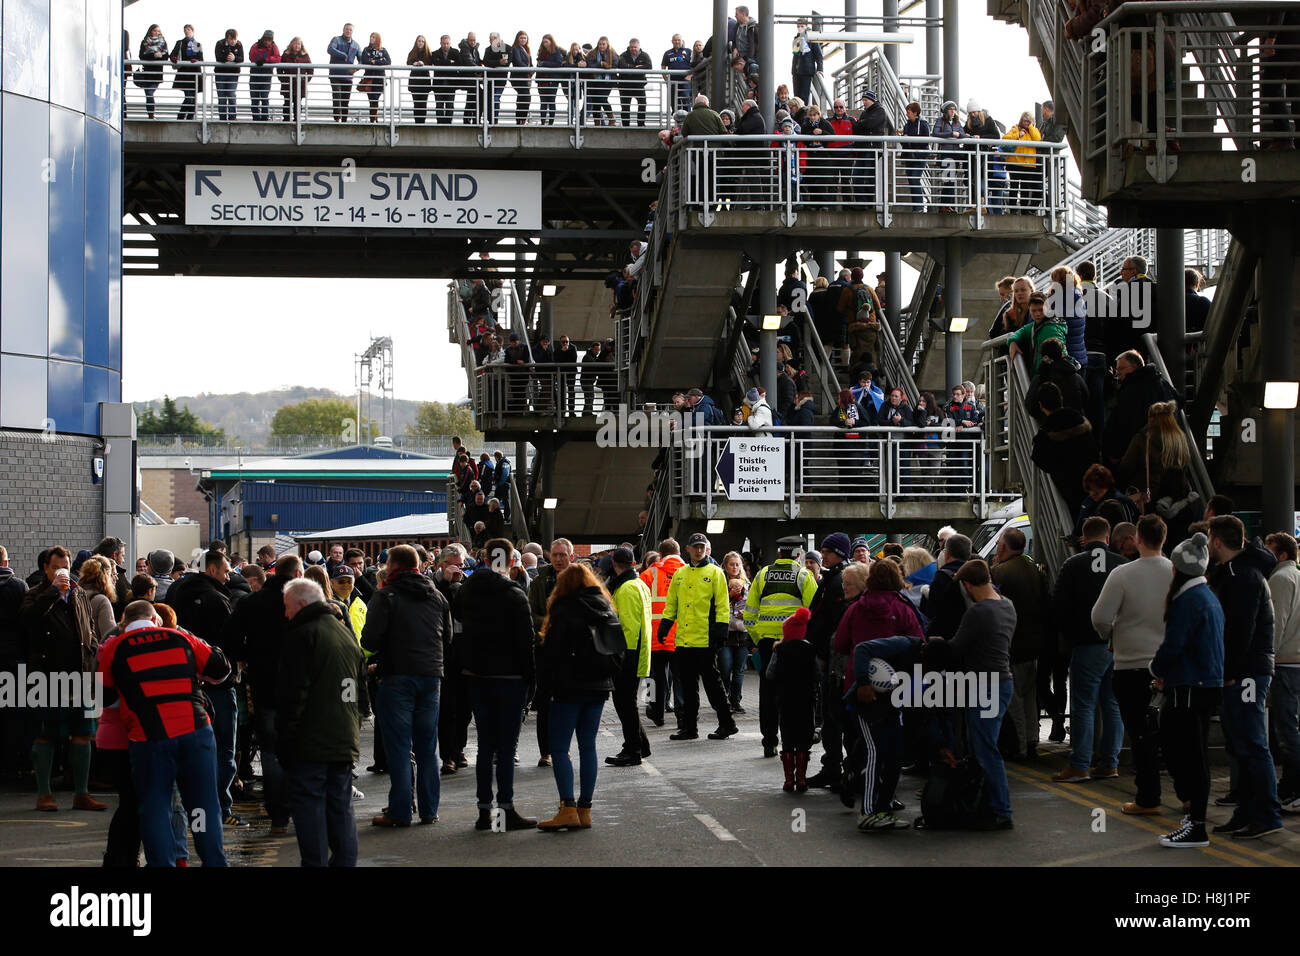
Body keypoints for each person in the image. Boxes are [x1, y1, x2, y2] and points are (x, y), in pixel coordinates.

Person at [99, 600, 230, 866]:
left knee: (155, 807)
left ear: (123, 624)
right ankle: (213, 860)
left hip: (149, 736)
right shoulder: (180, 637)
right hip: (195, 730)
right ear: (156, 619)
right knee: (202, 806)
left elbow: (104, 695)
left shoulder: (113, 647)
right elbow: (221, 669)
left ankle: (163, 863)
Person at [277, 579, 368, 866]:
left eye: (288, 607)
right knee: (340, 809)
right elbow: (358, 693)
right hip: (342, 737)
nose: (286, 614)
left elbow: (295, 694)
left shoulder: (303, 635)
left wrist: (286, 739)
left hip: (311, 740)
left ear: (302, 604)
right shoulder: (344, 634)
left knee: (310, 809)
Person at [361, 545, 449, 828]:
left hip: (396, 676)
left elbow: (369, 640)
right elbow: (447, 637)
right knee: (427, 745)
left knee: (399, 747)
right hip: (431, 675)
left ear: (393, 567)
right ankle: (429, 809)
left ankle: (400, 811)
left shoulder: (385, 595)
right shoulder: (436, 596)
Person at [1207, 516, 1284, 839]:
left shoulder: (1243, 576)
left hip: (1247, 673)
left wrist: (1230, 674)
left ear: (1218, 541)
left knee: (1252, 742)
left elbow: (1240, 631)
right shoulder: (1237, 574)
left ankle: (1265, 814)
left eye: (1210, 537)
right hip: (1246, 670)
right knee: (1242, 743)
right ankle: (1248, 810)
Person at [1091, 514, 1173, 814]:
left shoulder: (1122, 574)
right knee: (1174, 734)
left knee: (1140, 734)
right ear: (1163, 538)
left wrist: (1111, 633)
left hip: (1131, 665)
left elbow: (1100, 616)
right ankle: (1188, 795)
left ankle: (1148, 798)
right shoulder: (1177, 572)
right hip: (1168, 667)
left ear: (1137, 538)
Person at [455, 538, 536, 829]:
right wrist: (532, 680)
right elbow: (526, 643)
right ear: (512, 562)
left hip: (477, 676)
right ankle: (505, 810)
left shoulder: (467, 591)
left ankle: (483, 812)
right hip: (510, 678)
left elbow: (458, 623)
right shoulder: (515, 596)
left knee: (485, 746)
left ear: (486, 558)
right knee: (505, 747)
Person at [534, 564, 621, 830]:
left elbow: (550, 656)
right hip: (598, 687)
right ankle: (585, 810)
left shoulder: (564, 610)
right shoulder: (605, 608)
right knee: (588, 747)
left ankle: (567, 808)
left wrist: (543, 693)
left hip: (567, 688)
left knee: (559, 748)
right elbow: (618, 649)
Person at [1150, 534, 1224, 847]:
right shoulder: (1208, 597)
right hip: (1206, 683)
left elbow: (1174, 645)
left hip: (1189, 685)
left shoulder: (1187, 601)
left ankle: (1196, 826)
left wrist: (1156, 669)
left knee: (1186, 754)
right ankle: (1194, 819)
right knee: (1193, 754)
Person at [934, 559, 1017, 829]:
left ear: (968, 585)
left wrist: (937, 644)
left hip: (985, 685)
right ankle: (989, 803)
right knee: (985, 744)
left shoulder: (978, 612)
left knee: (985, 749)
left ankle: (1001, 810)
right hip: (1003, 682)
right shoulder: (1007, 605)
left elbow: (956, 647)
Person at [21, 546, 105, 813]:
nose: (64, 573)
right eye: (58, 567)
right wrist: (52, 592)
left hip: (80, 675)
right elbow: (27, 622)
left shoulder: (79, 592)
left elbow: (89, 626)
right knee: (45, 736)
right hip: (46, 676)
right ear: (46, 568)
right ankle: (44, 793)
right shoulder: (34, 594)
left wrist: (91, 648)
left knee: (82, 734)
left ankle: (82, 793)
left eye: (67, 567)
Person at [167, 550, 244, 828]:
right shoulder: (218, 599)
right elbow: (231, 641)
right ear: (212, 570)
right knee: (224, 748)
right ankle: (220, 808)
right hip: (219, 682)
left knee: (192, 749)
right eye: (225, 572)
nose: (228, 577)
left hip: (185, 683)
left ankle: (191, 809)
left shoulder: (177, 592)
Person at [1052, 516, 1126, 783]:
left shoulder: (1072, 565)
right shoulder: (1121, 565)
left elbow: (1059, 606)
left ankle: (1080, 764)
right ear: (1108, 538)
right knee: (1112, 704)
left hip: (1086, 645)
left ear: (1084, 538)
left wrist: (1069, 637)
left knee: (1083, 704)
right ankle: (1110, 763)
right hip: (1116, 646)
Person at [658, 533, 737, 741]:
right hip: (684, 640)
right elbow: (672, 604)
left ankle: (727, 723)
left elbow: (722, 604)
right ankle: (689, 728)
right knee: (688, 686)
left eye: (702, 547)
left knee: (713, 685)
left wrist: (721, 630)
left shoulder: (715, 573)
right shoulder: (680, 574)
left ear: (706, 549)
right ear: (688, 549)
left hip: (705, 639)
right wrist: (665, 625)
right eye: (696, 547)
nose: (699, 550)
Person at [745, 537, 819, 757]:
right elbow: (812, 613)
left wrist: (759, 638)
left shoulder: (762, 575)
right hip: (794, 644)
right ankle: (798, 740)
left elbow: (749, 614)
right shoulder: (803, 575)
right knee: (797, 692)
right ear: (798, 555)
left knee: (767, 692)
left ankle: (769, 741)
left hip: (768, 643)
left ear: (779, 555)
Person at [990, 529, 1049, 761]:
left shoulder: (999, 572)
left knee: (1013, 700)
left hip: (1012, 646)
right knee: (1029, 696)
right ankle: (1033, 740)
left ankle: (1020, 745)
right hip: (1034, 645)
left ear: (1003, 548)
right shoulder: (1035, 570)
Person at [605, 548, 653, 767]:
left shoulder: (625, 589)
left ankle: (633, 749)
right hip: (639, 652)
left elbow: (627, 628)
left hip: (628, 654)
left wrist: (618, 656)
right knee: (628, 703)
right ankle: (639, 745)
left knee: (624, 704)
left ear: (615, 565)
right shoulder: (640, 584)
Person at [766, 606, 820, 794]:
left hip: (785, 698)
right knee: (804, 736)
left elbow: (770, 673)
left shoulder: (779, 650)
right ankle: (802, 779)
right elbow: (818, 675)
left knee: (788, 736)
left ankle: (789, 779)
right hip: (806, 699)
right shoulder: (810, 650)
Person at [1264, 532, 1300, 811]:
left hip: (1286, 662)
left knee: (1287, 729)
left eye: (1270, 550)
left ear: (1282, 555)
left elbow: (1277, 622)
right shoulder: (1297, 575)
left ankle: (1293, 787)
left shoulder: (1279, 579)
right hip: (1296, 661)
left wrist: (1268, 657)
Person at [641, 539, 686, 728]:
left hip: (655, 635)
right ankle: (683, 715)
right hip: (682, 635)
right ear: (679, 552)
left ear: (660, 554)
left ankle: (655, 712)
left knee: (654, 676)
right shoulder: (690, 572)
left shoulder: (648, 574)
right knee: (681, 677)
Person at [719, 551, 751, 715]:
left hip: (742, 634)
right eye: (731, 564)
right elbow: (715, 606)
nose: (735, 567)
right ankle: (726, 697)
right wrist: (728, 596)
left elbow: (752, 606)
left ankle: (735, 701)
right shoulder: (720, 583)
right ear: (725, 566)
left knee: (739, 670)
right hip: (726, 634)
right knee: (725, 668)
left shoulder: (747, 585)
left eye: (737, 564)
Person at [1001, 111, 1043, 210]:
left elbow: (1038, 139)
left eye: (1029, 121)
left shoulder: (1034, 130)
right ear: (1021, 120)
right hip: (1014, 163)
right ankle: (1012, 209)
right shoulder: (1015, 128)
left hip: (1028, 164)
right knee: (1014, 186)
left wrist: (1031, 127)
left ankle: (1024, 209)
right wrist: (1018, 135)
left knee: (1025, 187)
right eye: (1025, 121)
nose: (1026, 123)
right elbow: (1005, 138)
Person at [327, 23, 362, 122]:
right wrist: (343, 55)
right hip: (335, 74)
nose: (348, 31)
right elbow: (330, 49)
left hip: (348, 76)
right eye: (346, 29)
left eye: (350, 30)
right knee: (337, 95)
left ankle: (344, 120)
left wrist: (355, 69)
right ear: (343, 30)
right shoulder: (336, 40)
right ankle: (337, 118)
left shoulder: (356, 45)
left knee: (345, 100)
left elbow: (361, 60)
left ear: (352, 31)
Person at [169, 25, 203, 120]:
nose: (186, 32)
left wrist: (196, 60)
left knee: (194, 99)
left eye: (188, 30)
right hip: (184, 74)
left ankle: (190, 118)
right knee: (189, 97)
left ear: (193, 31)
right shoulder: (180, 43)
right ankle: (181, 116)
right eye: (185, 30)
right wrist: (174, 58)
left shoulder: (197, 44)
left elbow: (201, 59)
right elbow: (172, 54)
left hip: (195, 74)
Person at [617, 38, 652, 128]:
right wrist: (637, 68)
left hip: (639, 85)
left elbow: (649, 67)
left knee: (642, 104)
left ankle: (640, 124)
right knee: (625, 107)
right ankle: (625, 126)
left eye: (635, 47)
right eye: (631, 47)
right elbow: (622, 66)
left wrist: (631, 69)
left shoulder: (645, 55)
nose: (633, 49)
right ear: (629, 46)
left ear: (639, 46)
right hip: (625, 86)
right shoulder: (623, 55)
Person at [429, 35, 463, 126]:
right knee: (439, 106)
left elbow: (459, 64)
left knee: (450, 105)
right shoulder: (435, 53)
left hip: (451, 85)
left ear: (450, 43)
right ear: (440, 43)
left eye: (447, 43)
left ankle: (448, 124)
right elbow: (436, 63)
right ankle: (440, 125)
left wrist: (444, 64)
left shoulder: (455, 52)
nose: (446, 45)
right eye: (444, 43)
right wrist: (450, 62)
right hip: (438, 85)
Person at [136, 25, 168, 119]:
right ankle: (151, 115)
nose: (157, 33)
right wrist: (153, 55)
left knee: (149, 92)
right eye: (155, 31)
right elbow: (141, 56)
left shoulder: (163, 43)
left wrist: (160, 56)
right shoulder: (145, 42)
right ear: (151, 31)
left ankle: (151, 114)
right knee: (148, 93)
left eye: (158, 31)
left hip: (157, 73)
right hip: (147, 73)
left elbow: (166, 56)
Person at [248, 30, 281, 122]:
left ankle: (264, 117)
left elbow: (278, 58)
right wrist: (258, 60)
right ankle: (256, 117)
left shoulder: (274, 47)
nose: (267, 41)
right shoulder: (255, 45)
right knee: (254, 98)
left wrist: (266, 60)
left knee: (264, 97)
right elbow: (251, 57)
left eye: (269, 40)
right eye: (266, 39)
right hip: (255, 74)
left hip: (266, 76)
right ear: (263, 38)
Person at [359, 33, 392, 124]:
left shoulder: (383, 50)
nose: (371, 39)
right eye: (371, 37)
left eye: (374, 37)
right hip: (369, 79)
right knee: (371, 99)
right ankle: (373, 118)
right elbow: (365, 60)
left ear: (377, 39)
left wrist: (375, 61)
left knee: (375, 98)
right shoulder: (366, 49)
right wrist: (378, 61)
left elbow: (388, 61)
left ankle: (373, 118)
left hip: (380, 79)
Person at [790, 19, 823, 103]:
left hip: (806, 70)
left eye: (802, 26)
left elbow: (818, 55)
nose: (800, 28)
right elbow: (795, 54)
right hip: (796, 70)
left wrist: (820, 68)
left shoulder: (811, 38)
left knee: (804, 96)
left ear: (806, 26)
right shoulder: (797, 38)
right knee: (797, 96)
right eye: (798, 27)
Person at [406, 35, 435, 124]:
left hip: (424, 81)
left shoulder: (428, 53)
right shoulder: (412, 52)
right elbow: (408, 62)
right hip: (415, 81)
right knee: (416, 104)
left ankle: (422, 122)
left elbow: (431, 63)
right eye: (419, 41)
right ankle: (417, 122)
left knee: (423, 104)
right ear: (416, 42)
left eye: (422, 41)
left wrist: (423, 64)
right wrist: (413, 64)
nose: (421, 43)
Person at [508, 32, 533, 125]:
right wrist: (529, 70)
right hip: (518, 77)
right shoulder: (515, 49)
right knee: (526, 97)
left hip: (525, 78)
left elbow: (531, 63)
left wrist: (532, 70)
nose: (523, 40)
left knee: (522, 98)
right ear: (517, 38)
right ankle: (520, 120)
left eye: (525, 38)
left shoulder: (527, 49)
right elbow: (518, 62)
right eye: (521, 38)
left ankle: (521, 120)